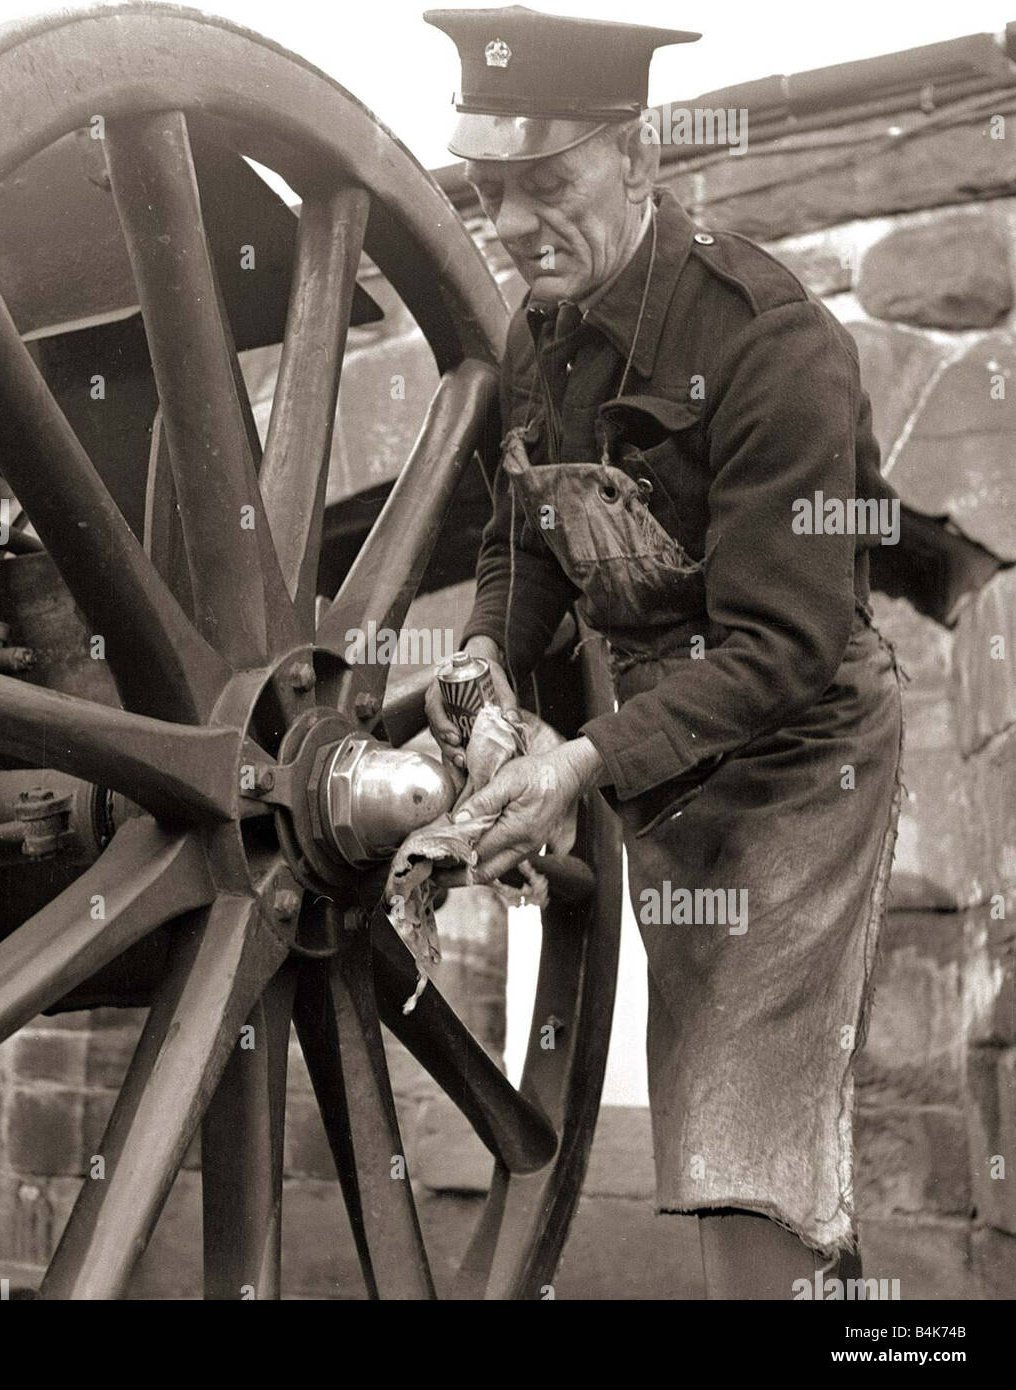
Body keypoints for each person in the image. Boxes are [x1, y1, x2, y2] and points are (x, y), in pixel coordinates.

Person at [423, 6, 907, 1299]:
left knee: (741, 1119)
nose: (516, 222)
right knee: (739, 1113)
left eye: (550, 182)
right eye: (490, 188)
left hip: (803, 764)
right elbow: (517, 548)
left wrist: (578, 761)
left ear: (637, 158)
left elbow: (788, 642)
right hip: (669, 766)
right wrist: (481, 675)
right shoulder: (540, 339)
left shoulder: (773, 340)